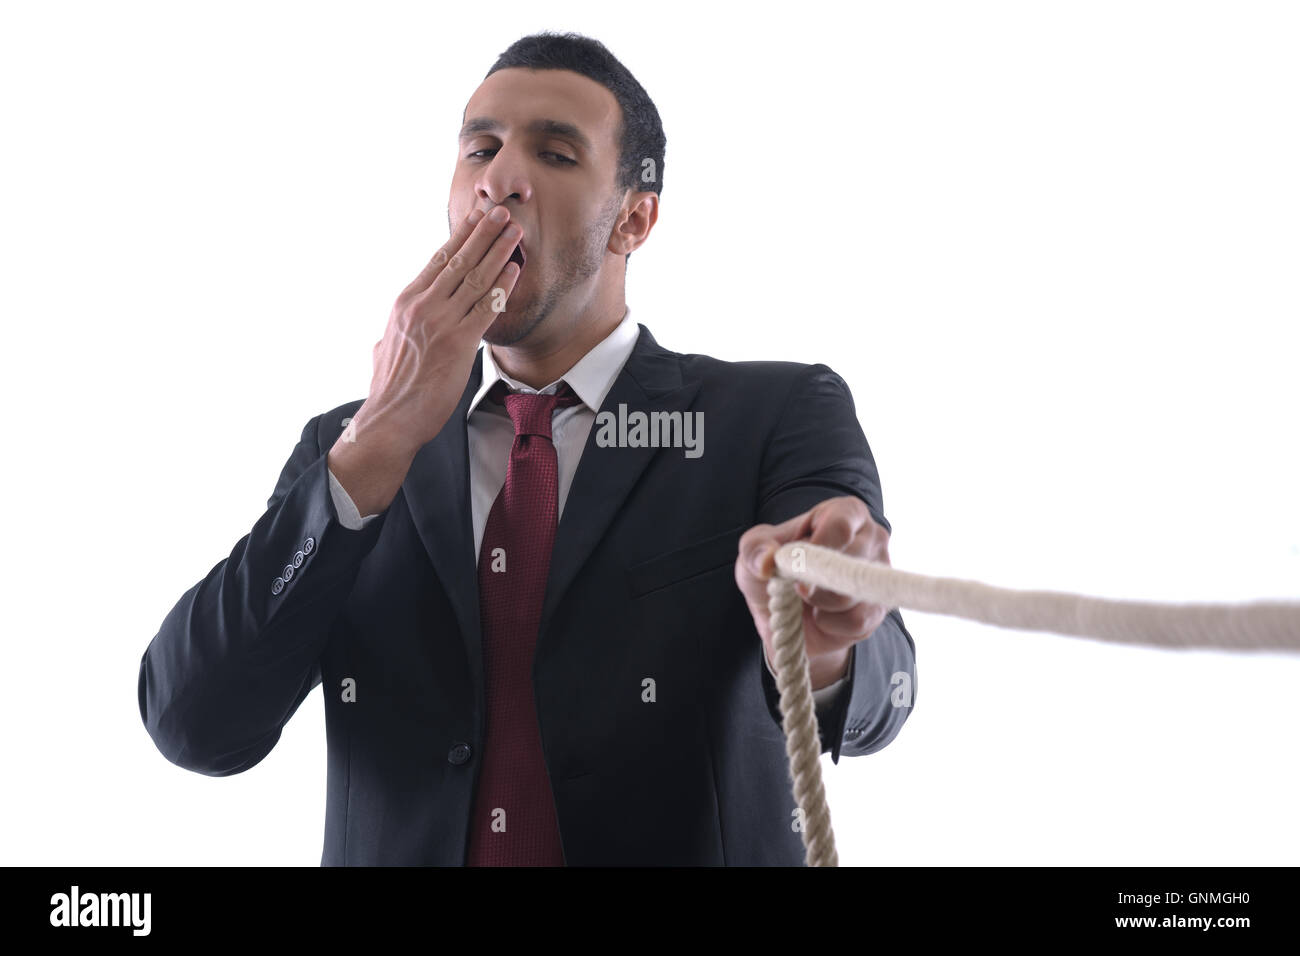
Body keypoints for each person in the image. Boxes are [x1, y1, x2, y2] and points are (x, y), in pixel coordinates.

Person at [138, 31, 917, 866]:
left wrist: (830, 634)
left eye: (553, 153)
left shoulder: (775, 411)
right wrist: (378, 441)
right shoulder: (346, 449)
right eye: (481, 147)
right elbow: (194, 724)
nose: (499, 179)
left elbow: (879, 702)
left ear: (635, 216)